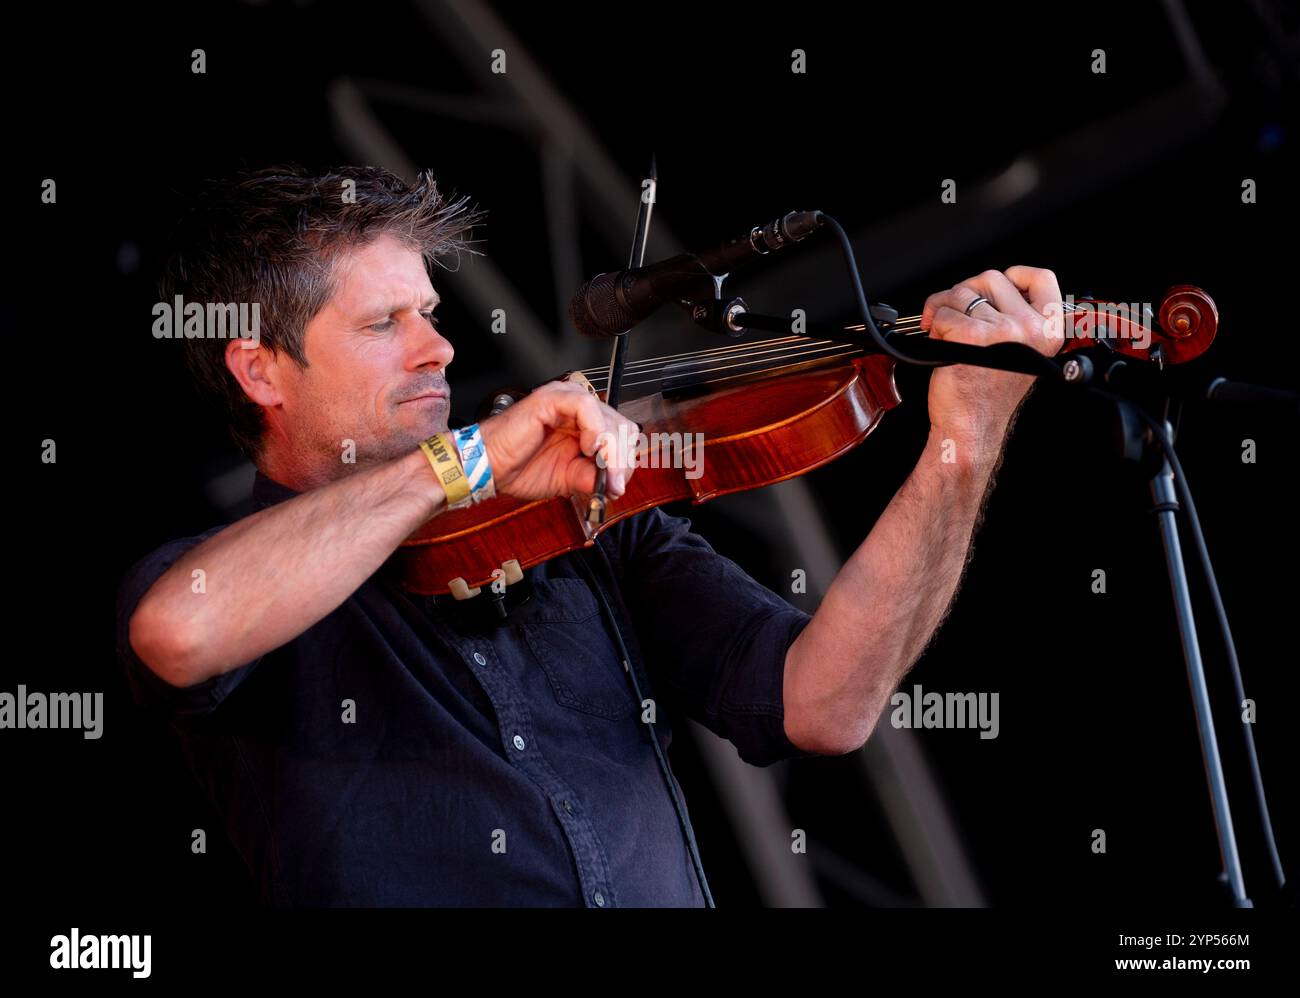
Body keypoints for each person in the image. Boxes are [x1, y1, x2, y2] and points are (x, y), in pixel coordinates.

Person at [116, 165, 1064, 907]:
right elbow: (177, 632)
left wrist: (962, 445)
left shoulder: (580, 513)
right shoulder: (225, 577)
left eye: (432, 314)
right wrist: (464, 460)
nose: (438, 347)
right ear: (261, 372)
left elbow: (823, 704)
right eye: (383, 322)